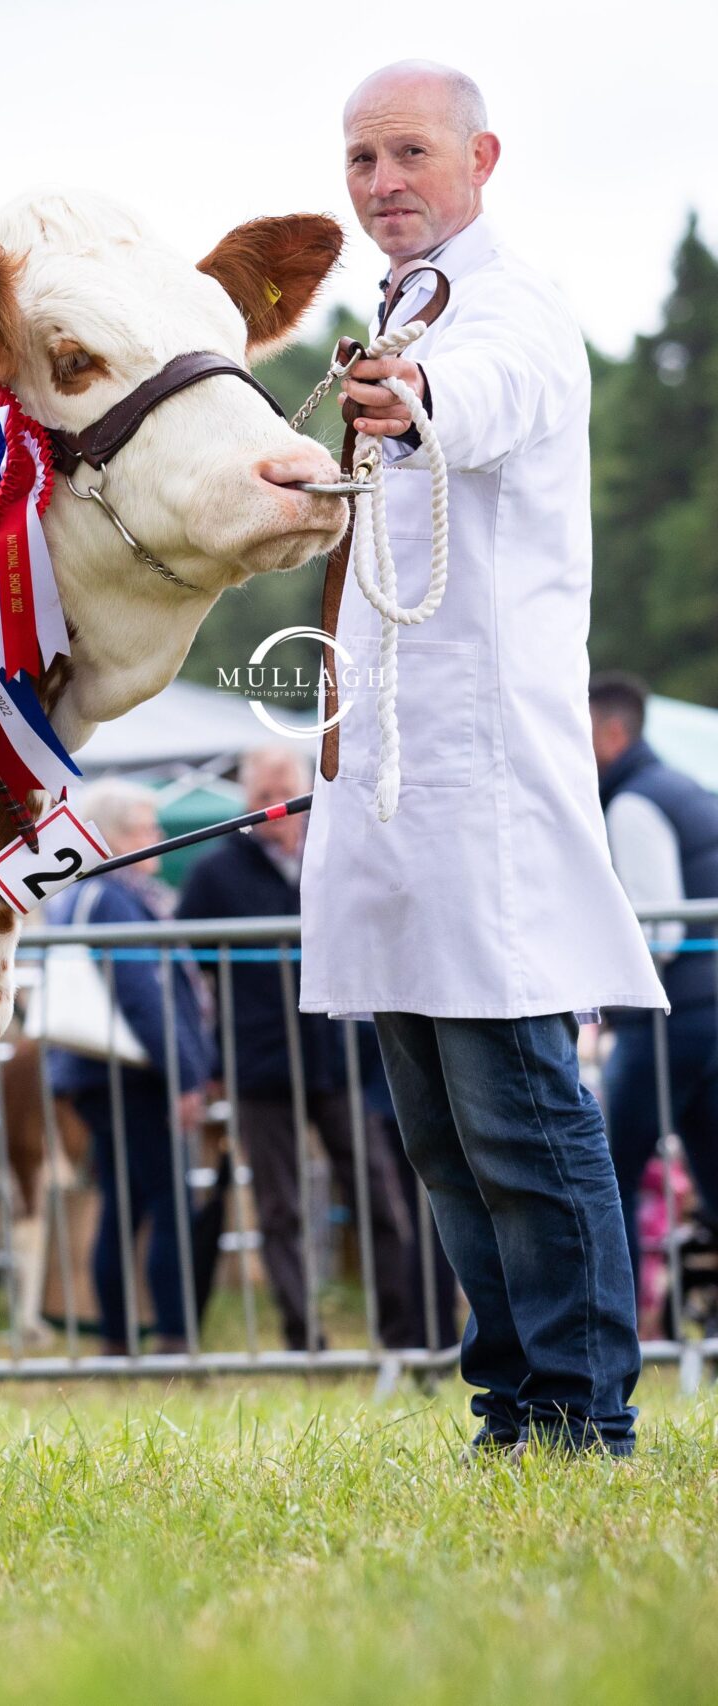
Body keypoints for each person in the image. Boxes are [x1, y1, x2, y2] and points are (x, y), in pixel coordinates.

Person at [301, 63, 664, 1457]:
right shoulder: (407, 309)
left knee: (518, 1114)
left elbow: (494, 392)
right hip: (398, 783)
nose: (382, 182)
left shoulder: (505, 309)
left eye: (408, 153)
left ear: (480, 158)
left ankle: (583, 1410)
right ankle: (510, 1399)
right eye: (360, 159)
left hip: (481, 783)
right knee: (444, 1136)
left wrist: (417, 396)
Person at [178, 747, 431, 1350]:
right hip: (259, 1063)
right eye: (265, 790)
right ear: (246, 800)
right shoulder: (215, 871)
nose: (278, 807)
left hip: (338, 1054)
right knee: (279, 1207)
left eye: (285, 789)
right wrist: (207, 1062)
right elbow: (185, 969)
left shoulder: (335, 849)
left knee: (377, 1194)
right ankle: (303, 1336)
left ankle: (401, 1336)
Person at [46, 779, 213, 1355]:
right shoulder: (117, 895)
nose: (158, 839)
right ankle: (173, 1335)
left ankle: (119, 1338)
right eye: (144, 829)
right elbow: (145, 995)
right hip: (134, 1074)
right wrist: (186, 1075)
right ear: (113, 839)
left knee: (124, 1202)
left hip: (97, 1071)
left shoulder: (77, 892)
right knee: (167, 1203)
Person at [588, 671, 718, 1307]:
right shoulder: (684, 787)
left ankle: (614, 1333)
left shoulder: (634, 801)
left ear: (613, 732)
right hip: (707, 1014)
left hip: (667, 1019)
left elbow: (658, 929)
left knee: (606, 1174)